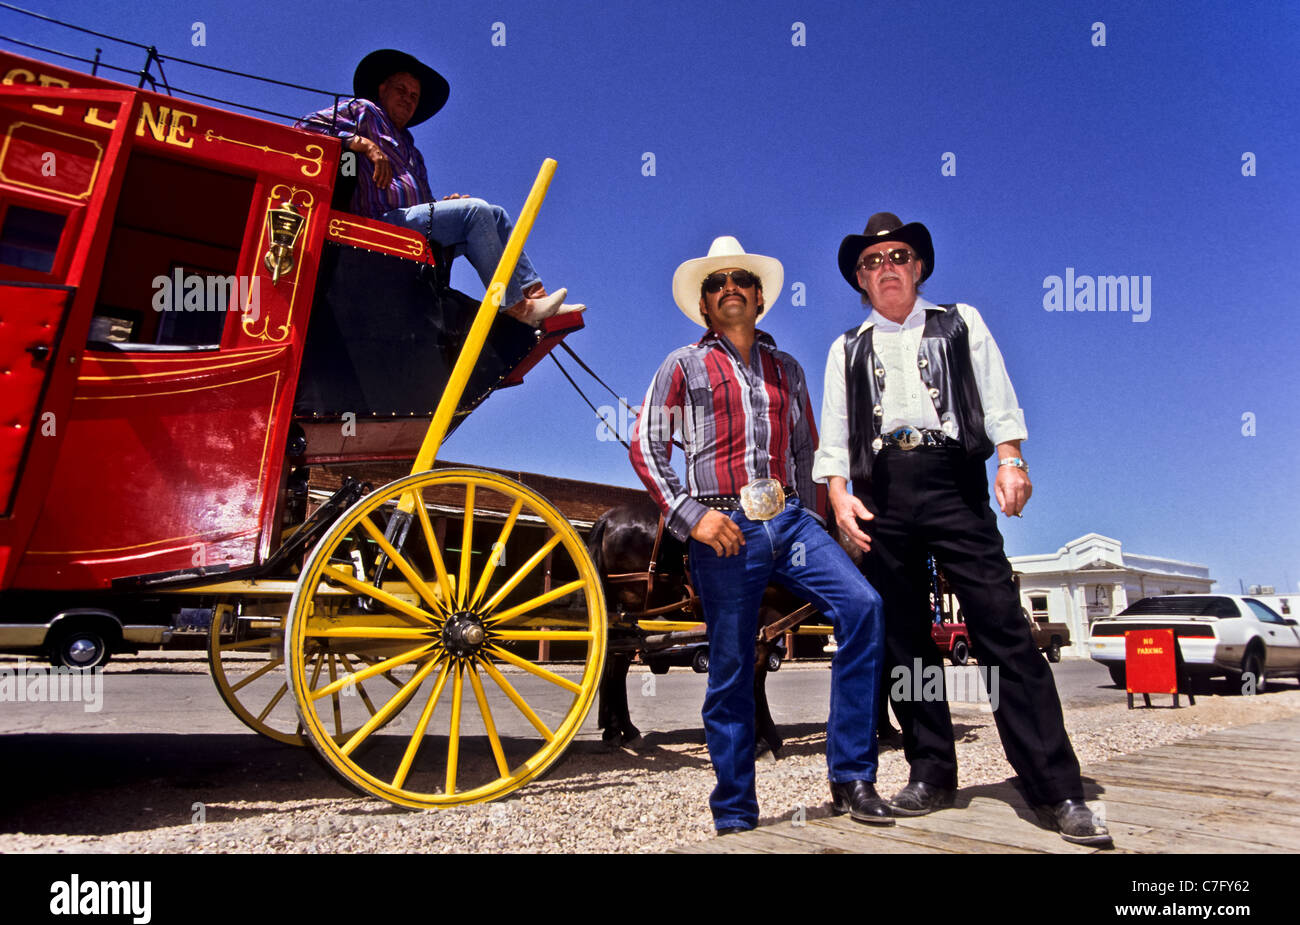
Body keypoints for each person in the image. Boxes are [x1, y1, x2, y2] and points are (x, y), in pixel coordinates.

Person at [813, 212, 1111, 846]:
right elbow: (835, 433)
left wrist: (1011, 459)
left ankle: (1055, 788)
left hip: (953, 482)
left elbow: (999, 397)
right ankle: (931, 771)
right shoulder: (847, 347)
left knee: (1002, 627)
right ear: (861, 281)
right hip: (882, 491)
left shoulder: (962, 321)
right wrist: (839, 499)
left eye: (896, 256)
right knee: (904, 638)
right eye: (872, 262)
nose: (885, 267)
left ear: (917, 266)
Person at [629, 236, 892, 834]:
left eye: (740, 280)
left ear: (759, 297)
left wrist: (818, 519)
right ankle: (735, 812)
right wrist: (692, 516)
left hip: (792, 519)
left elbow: (806, 451)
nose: (730, 289)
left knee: (863, 606)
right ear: (704, 305)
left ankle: (852, 776)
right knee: (730, 665)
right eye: (717, 283)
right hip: (724, 527)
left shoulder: (789, 371)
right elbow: (647, 445)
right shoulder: (683, 366)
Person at [297, 49, 583, 325]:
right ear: (382, 88)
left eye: (414, 96)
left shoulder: (412, 149)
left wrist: (446, 204)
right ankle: (514, 306)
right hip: (378, 224)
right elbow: (304, 126)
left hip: (410, 223)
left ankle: (536, 295)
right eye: (401, 90)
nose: (408, 100)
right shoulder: (365, 110)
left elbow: (424, 201)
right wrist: (363, 144)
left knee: (494, 214)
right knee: (475, 211)